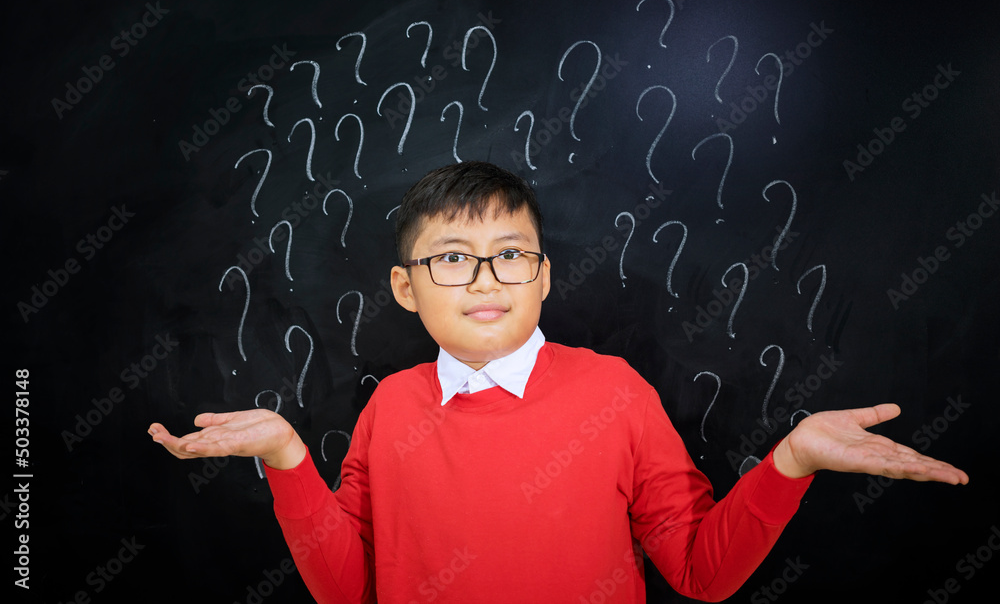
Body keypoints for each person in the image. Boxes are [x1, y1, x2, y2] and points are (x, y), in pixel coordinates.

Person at [149, 161, 968, 603]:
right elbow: (351, 589)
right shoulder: (390, 405)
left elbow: (700, 573)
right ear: (406, 287)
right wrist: (290, 459)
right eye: (451, 258)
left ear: (543, 277)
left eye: (510, 254)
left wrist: (792, 461)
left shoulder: (615, 393)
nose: (484, 277)